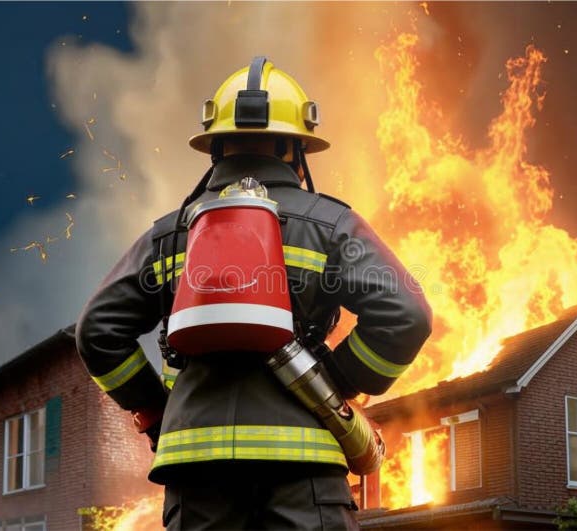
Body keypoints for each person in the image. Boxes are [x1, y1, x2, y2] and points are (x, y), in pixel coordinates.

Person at [76, 57, 432, 530]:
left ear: (215, 146)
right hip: (304, 470)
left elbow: (97, 332)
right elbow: (407, 314)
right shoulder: (331, 225)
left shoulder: (169, 235)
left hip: (196, 471)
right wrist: (335, 381)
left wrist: (157, 411)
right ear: (294, 147)